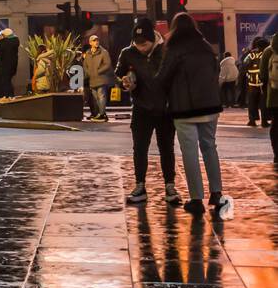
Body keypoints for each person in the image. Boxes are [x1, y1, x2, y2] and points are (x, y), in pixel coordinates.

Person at [155, 13, 227, 218]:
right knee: (210, 147)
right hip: (211, 106)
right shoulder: (206, 47)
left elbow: (163, 77)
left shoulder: (174, 48)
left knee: (189, 152)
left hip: (185, 109)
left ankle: (196, 199)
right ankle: (216, 192)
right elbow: (215, 71)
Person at [114, 18, 181, 207]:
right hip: (141, 107)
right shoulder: (128, 53)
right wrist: (124, 81)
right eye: (137, 43)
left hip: (165, 108)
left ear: (153, 39)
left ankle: (170, 186)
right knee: (139, 148)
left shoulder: (166, 50)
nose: (140, 47)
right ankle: (140, 185)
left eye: (144, 44)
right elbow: (118, 73)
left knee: (166, 148)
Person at [83, 34, 115, 121]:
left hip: (101, 79)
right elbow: (85, 65)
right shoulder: (88, 53)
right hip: (92, 80)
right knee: (96, 98)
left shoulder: (104, 52)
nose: (96, 42)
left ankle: (102, 114)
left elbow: (107, 64)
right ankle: (100, 114)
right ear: (90, 43)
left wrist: (98, 71)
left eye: (97, 40)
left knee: (101, 97)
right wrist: (89, 73)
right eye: (94, 41)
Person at [243, 38, 270, 127]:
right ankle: (264, 121)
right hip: (263, 82)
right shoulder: (265, 53)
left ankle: (252, 120)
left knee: (252, 102)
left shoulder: (250, 54)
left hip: (251, 82)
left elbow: (244, 63)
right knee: (263, 102)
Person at [0, 28, 21, 99]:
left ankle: (9, 95)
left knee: (5, 80)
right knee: (8, 79)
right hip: (13, 64)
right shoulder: (16, 40)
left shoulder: (6, 42)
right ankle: (9, 95)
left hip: (6, 64)